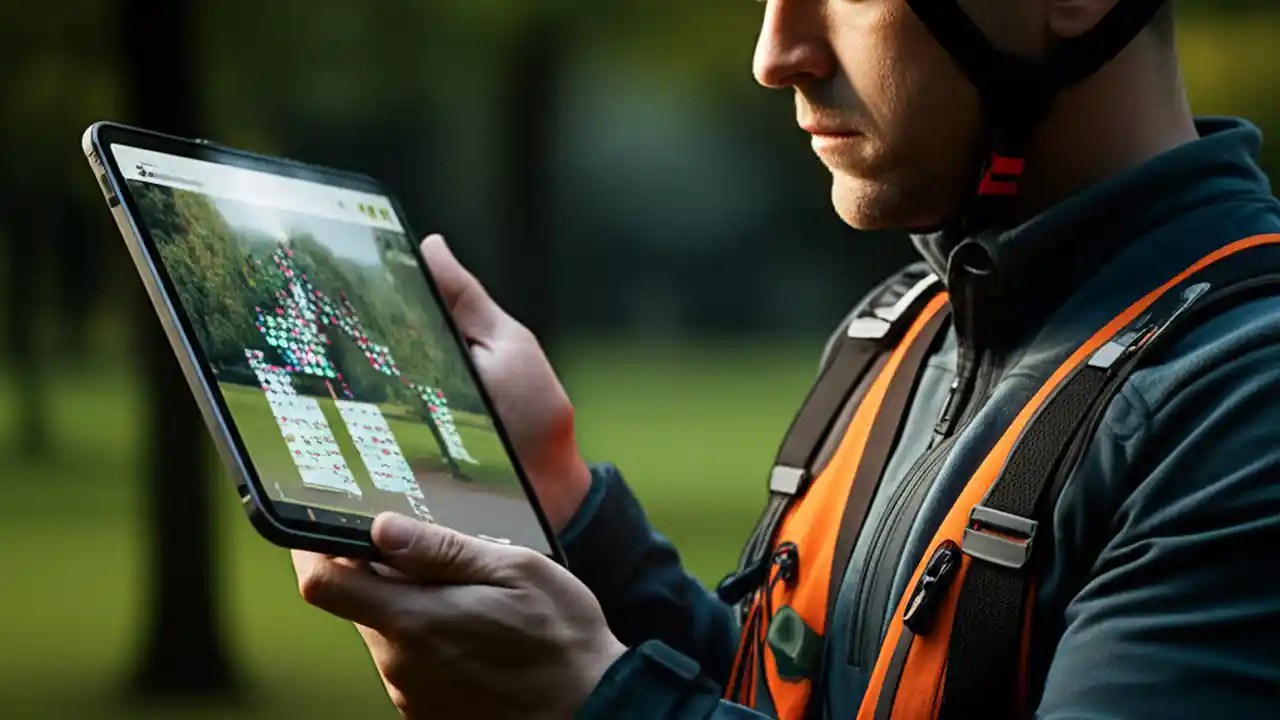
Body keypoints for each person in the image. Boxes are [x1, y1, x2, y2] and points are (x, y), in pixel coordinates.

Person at [290, 0, 1280, 717]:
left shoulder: (1245, 403)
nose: (776, 52)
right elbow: (791, 697)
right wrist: (562, 504)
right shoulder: (896, 331)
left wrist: (591, 705)